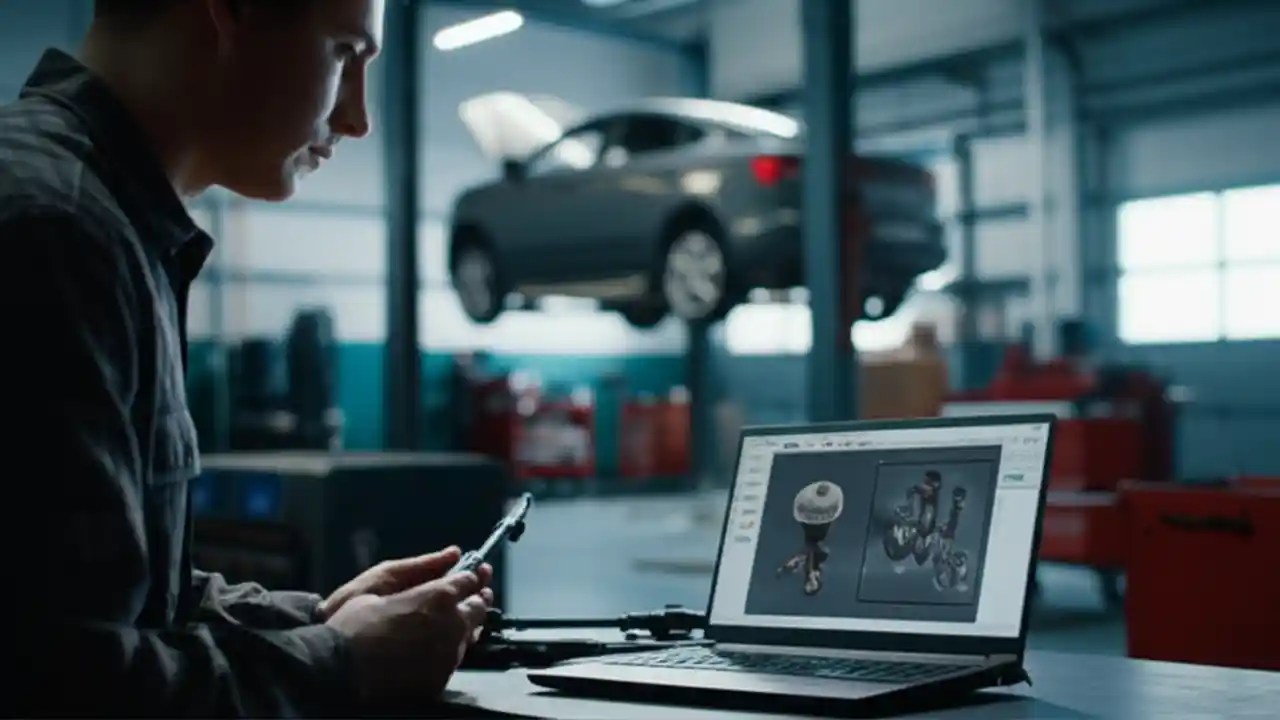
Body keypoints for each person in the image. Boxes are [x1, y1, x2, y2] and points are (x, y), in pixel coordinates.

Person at [1, 0, 495, 716]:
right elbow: (62, 677)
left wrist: (313, 620)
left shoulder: (103, 222)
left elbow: (111, 595)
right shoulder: (53, 232)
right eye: (345, 56)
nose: (359, 119)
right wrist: (342, 662)